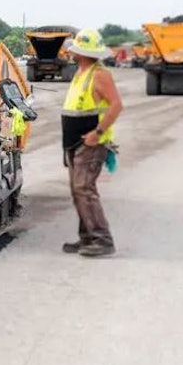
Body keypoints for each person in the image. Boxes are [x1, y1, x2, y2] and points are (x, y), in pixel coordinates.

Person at [60, 28, 123, 257]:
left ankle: (102, 239)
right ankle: (87, 237)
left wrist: (98, 133)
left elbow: (116, 105)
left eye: (76, 49)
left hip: (91, 143)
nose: (71, 52)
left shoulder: (100, 75)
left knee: (84, 189)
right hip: (75, 143)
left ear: (83, 52)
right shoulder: (81, 73)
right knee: (78, 190)